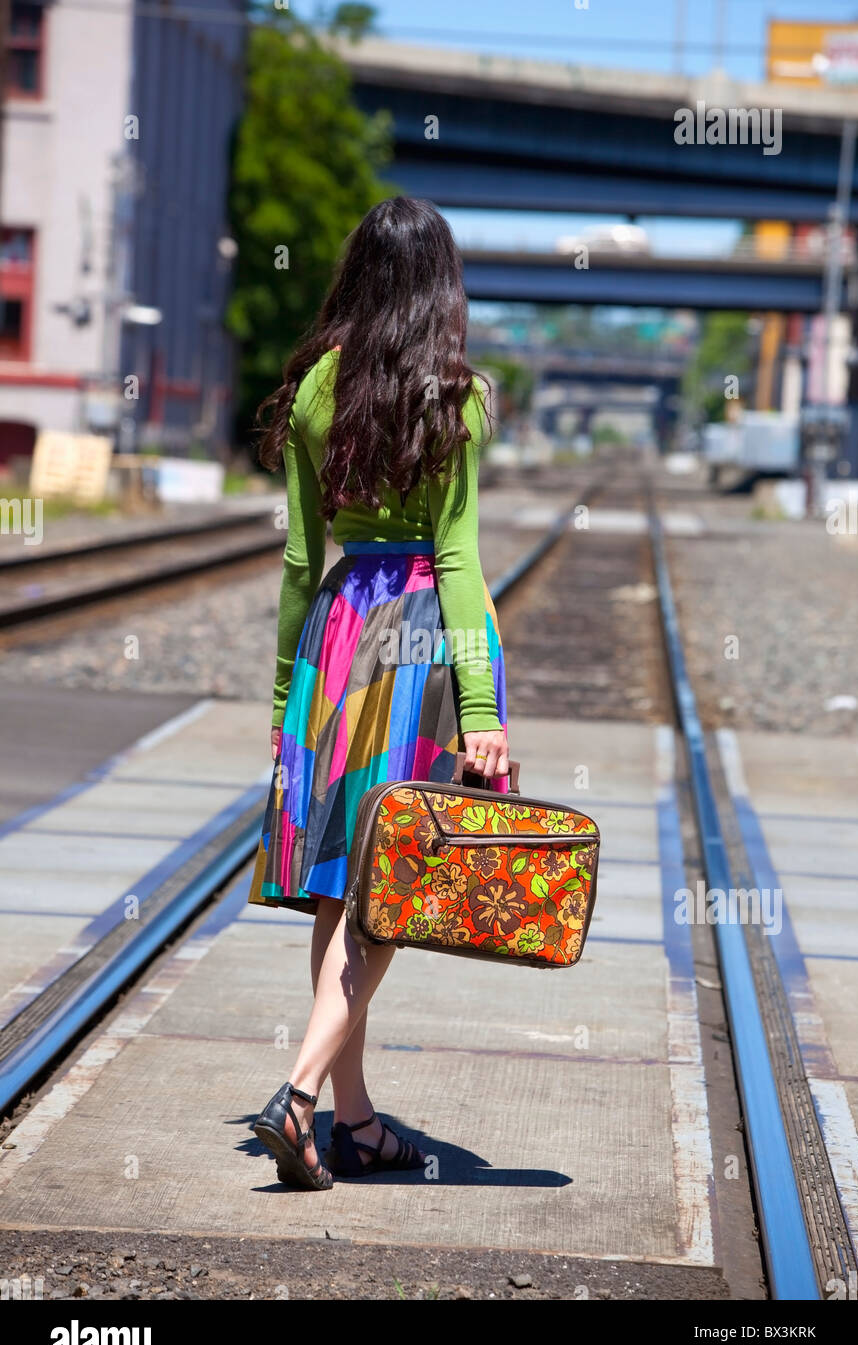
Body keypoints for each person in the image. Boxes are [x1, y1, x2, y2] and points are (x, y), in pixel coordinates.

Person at [248, 196, 509, 1190]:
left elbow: (298, 558)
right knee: (387, 886)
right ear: (440, 285)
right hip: (410, 638)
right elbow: (455, 559)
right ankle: (305, 1090)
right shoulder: (459, 395)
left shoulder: (320, 386)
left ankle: (350, 1125)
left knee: (338, 879)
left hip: (339, 627)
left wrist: (284, 702)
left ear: (357, 274)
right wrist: (478, 711)